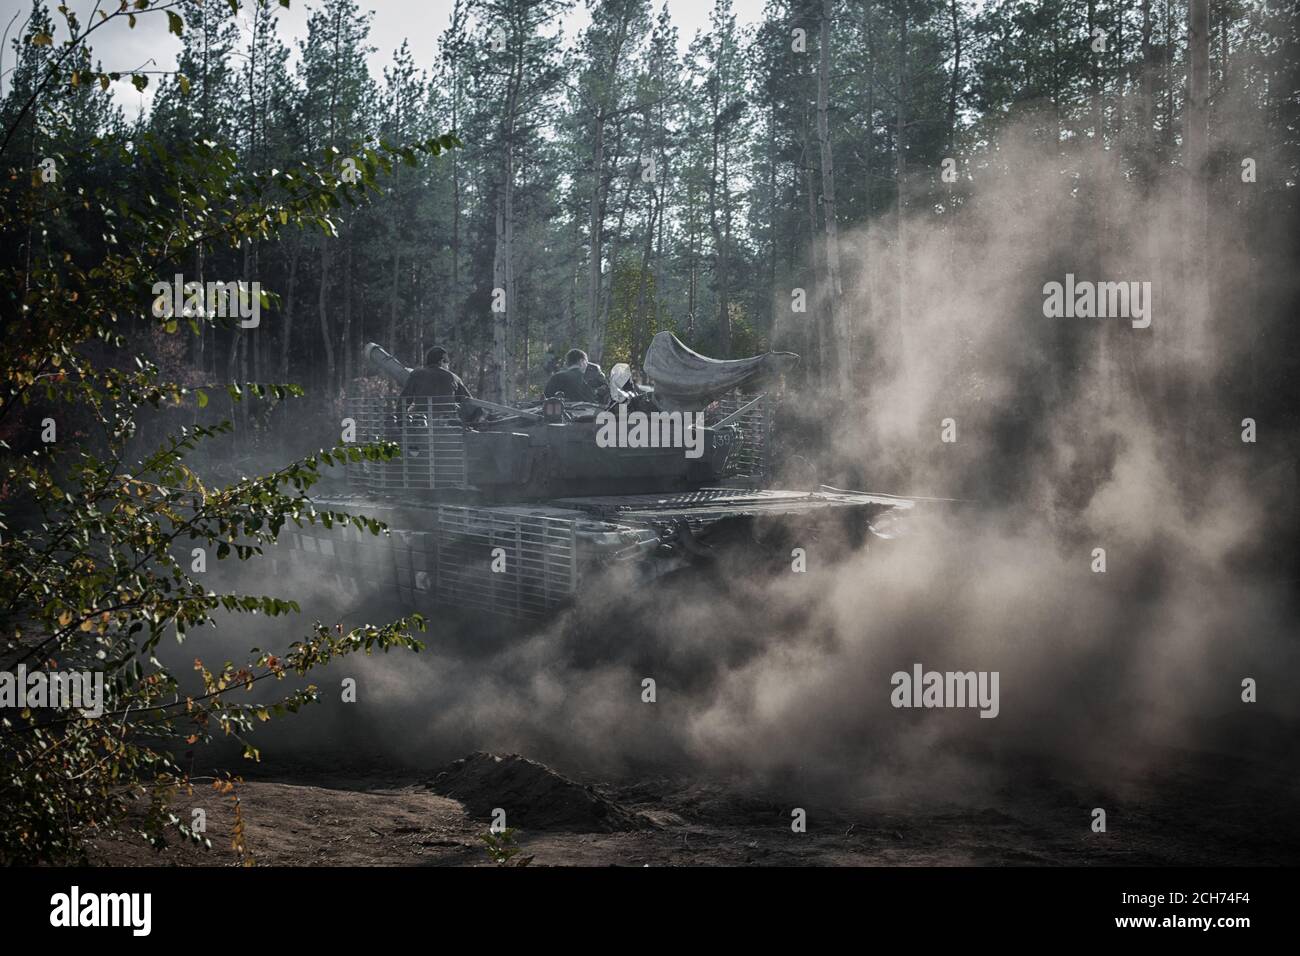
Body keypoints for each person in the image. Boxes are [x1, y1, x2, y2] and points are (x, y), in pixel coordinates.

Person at [401, 346, 472, 402]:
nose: (448, 366)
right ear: (441, 361)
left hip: (422, 418)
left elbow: (404, 400)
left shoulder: (416, 374)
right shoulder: (453, 377)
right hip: (448, 418)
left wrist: (401, 418)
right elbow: (469, 402)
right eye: (447, 362)